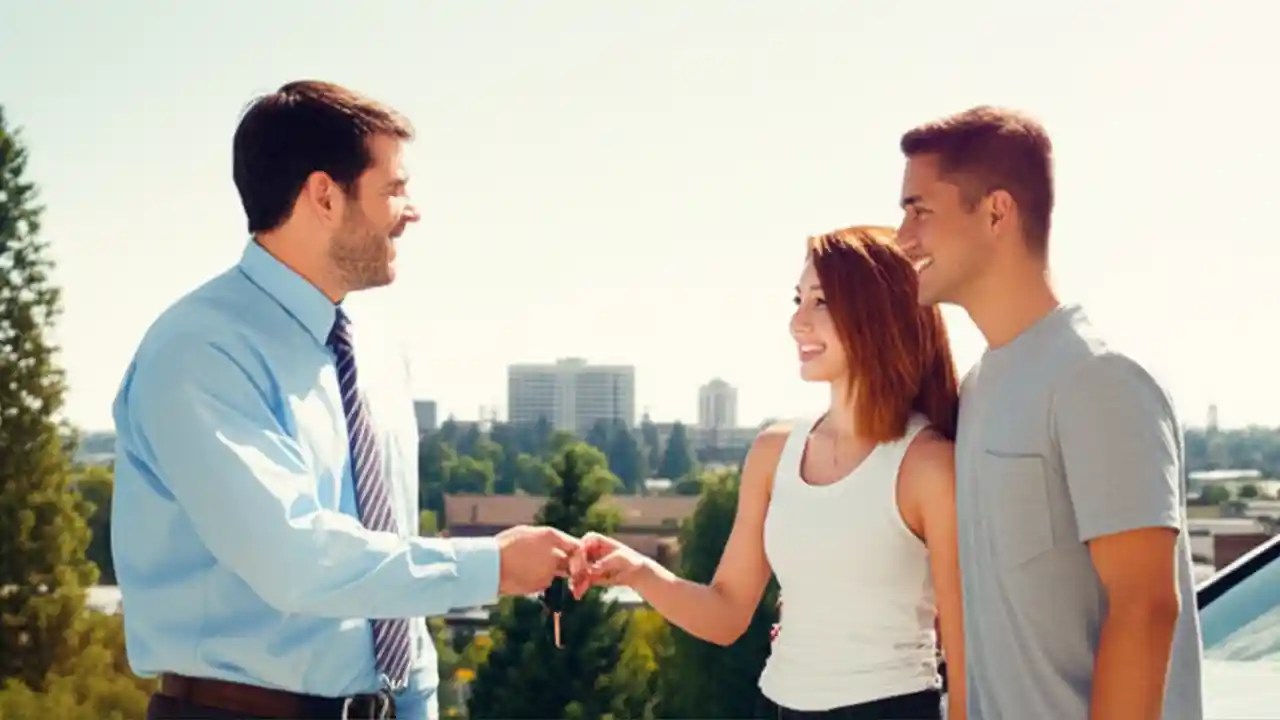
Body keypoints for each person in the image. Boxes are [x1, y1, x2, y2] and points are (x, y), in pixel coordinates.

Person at [111, 80, 579, 720]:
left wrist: (415, 700)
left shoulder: (375, 353)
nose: (410, 212)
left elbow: (385, 563)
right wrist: (493, 566)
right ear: (325, 196)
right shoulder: (200, 352)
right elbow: (294, 558)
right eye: (393, 189)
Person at [570, 226, 966, 720]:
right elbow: (727, 613)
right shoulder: (773, 451)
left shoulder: (928, 467)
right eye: (798, 300)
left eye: (821, 302)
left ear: (879, 314)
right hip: (780, 705)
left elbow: (964, 649)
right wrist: (637, 571)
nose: (798, 322)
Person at [893, 106, 1204, 720]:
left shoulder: (1098, 379)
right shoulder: (980, 388)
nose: (903, 237)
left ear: (996, 213)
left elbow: (1144, 607)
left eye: (919, 211)